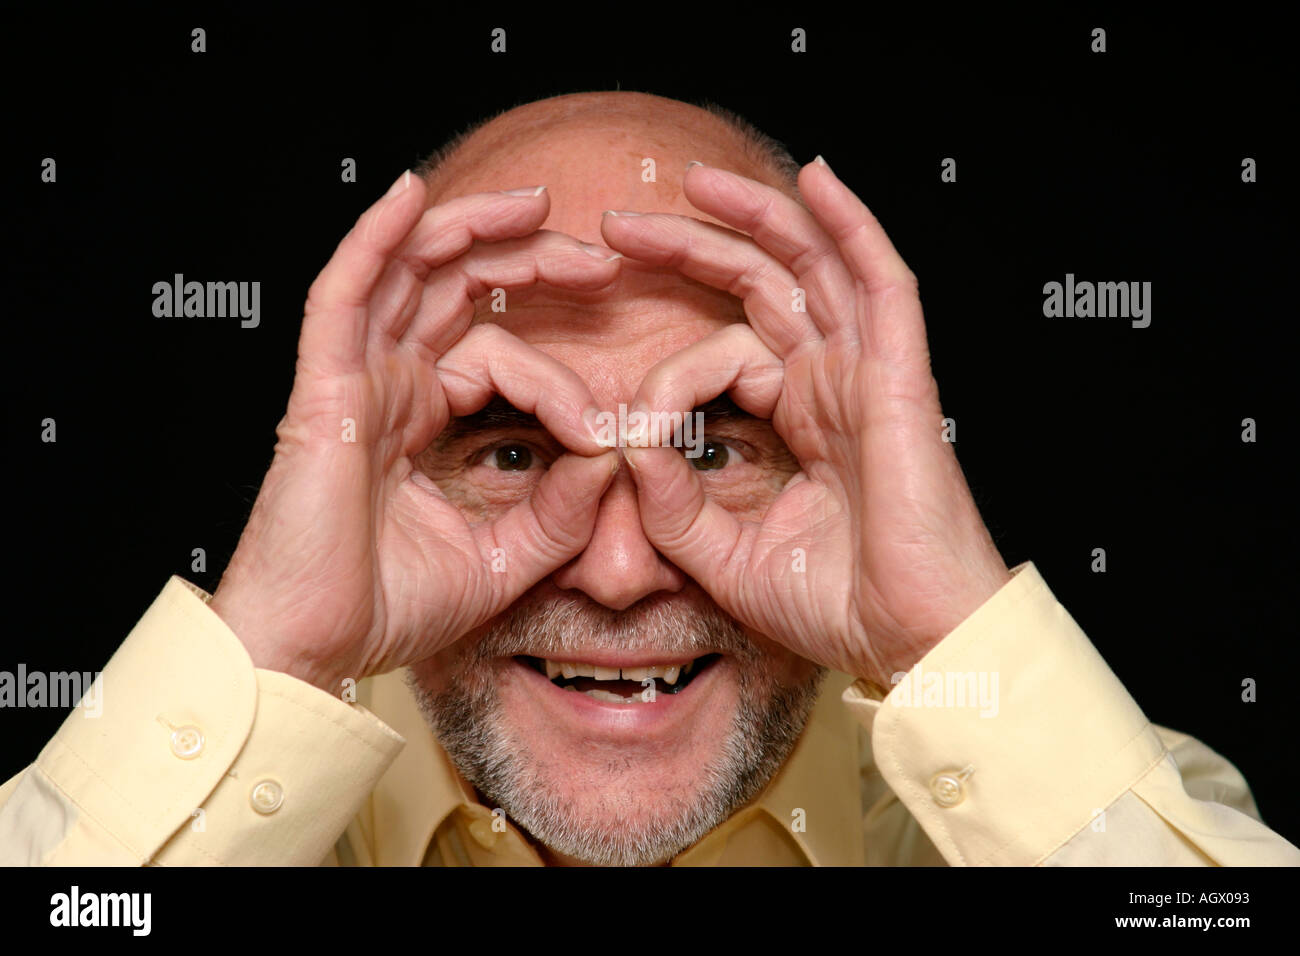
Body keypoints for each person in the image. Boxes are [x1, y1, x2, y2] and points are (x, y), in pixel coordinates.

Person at [2, 91, 1295, 866]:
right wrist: (270, 653)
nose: (620, 570)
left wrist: (944, 627)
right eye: (511, 451)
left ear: (850, 468)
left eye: (714, 447)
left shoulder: (1082, 807)